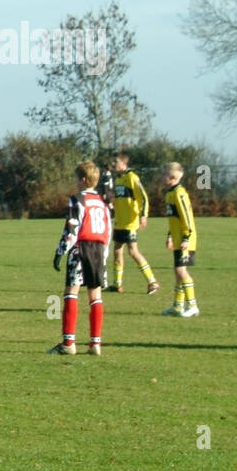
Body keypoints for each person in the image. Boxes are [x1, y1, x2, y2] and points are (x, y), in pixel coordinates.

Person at [49, 161, 111, 355]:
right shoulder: (102, 202)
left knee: (71, 291)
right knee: (95, 294)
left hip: (80, 248)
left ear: (83, 180)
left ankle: (68, 343)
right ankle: (95, 344)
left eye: (77, 178)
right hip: (99, 249)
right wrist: (105, 254)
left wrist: (61, 251)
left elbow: (72, 227)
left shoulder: (77, 199)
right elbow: (108, 230)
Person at [108, 152, 160, 295]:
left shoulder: (132, 178)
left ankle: (152, 281)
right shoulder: (118, 179)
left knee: (133, 252)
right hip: (119, 221)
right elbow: (120, 199)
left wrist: (143, 215)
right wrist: (112, 201)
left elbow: (143, 197)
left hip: (130, 222)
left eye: (115, 162)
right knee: (117, 250)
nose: (113, 165)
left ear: (124, 164)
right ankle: (117, 284)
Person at [161, 162, 199, 318]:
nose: (162, 177)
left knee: (181, 271)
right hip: (177, 239)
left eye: (164, 174)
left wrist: (186, 238)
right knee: (177, 273)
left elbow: (187, 218)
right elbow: (174, 219)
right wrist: (170, 236)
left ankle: (193, 305)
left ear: (173, 177)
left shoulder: (180, 194)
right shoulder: (169, 194)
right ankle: (178, 306)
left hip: (185, 239)